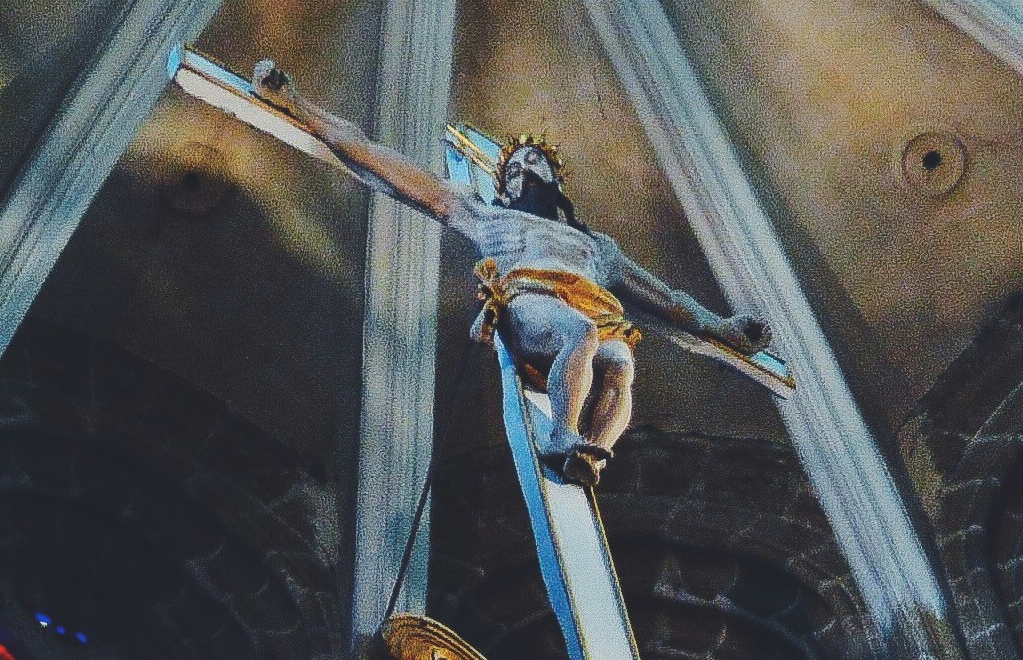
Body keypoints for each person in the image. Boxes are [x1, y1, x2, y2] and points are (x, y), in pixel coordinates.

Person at [246, 63, 767, 486]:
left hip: (591, 308)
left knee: (618, 362)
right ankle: (561, 434)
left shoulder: (598, 248)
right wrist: (302, 110)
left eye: (532, 163)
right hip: (530, 301)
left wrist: (721, 327)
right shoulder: (487, 216)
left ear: (555, 179)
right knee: (579, 333)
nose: (520, 171)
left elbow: (665, 297)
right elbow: (390, 167)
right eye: (512, 167)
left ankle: (595, 453)